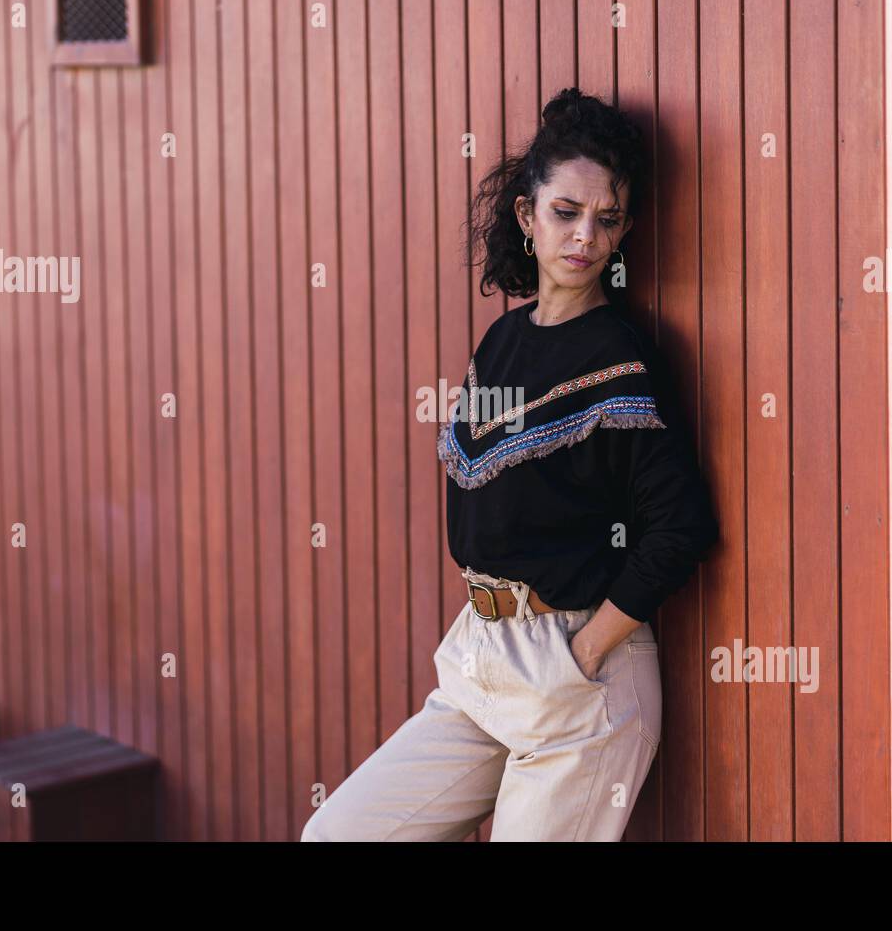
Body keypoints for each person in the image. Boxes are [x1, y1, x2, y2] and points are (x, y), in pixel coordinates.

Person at [301, 87, 719, 841]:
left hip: (578, 676)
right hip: (481, 662)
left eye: (608, 219)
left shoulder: (619, 356)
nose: (585, 236)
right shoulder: (502, 340)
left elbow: (681, 526)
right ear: (527, 215)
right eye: (566, 212)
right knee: (338, 834)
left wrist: (584, 652)